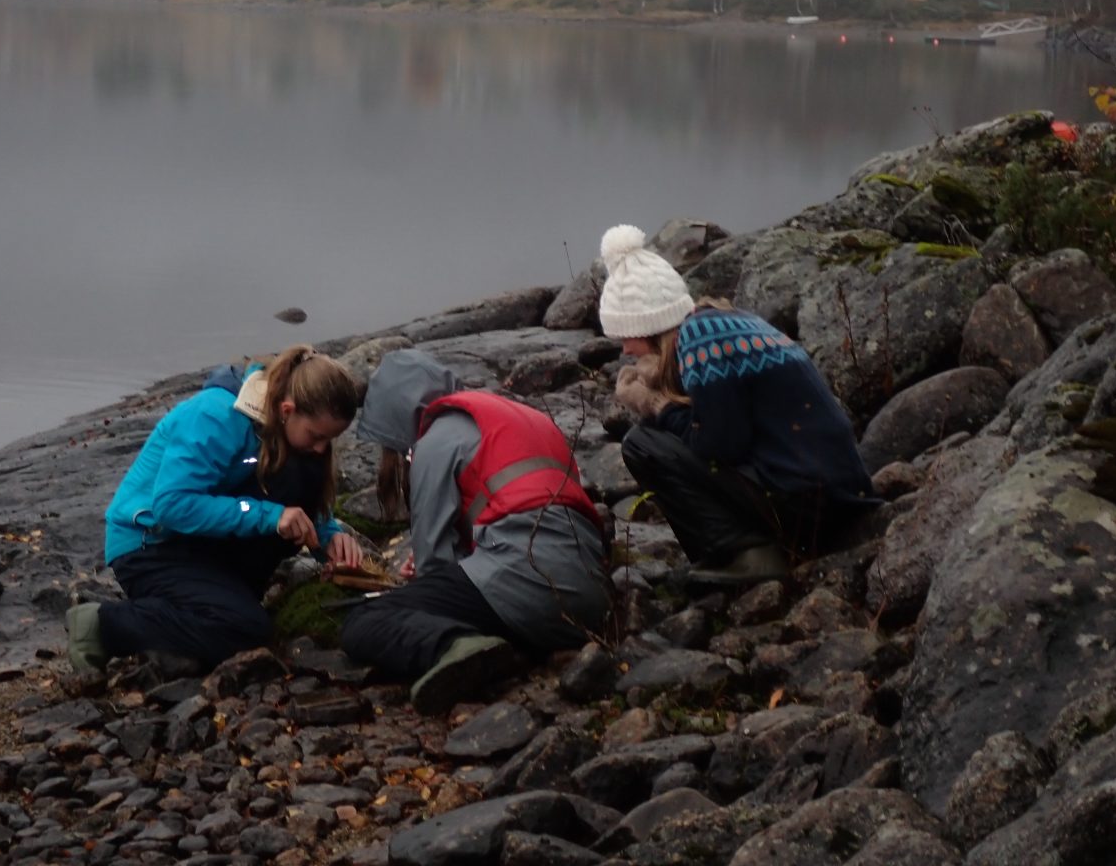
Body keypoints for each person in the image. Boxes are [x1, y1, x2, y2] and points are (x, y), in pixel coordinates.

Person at [598, 224, 877, 584]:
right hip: (833, 493)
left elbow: (718, 446)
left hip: (812, 504)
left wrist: (656, 403)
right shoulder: (725, 322)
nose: (625, 349)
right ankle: (749, 550)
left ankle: (745, 555)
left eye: (626, 336)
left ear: (649, 325)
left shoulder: (700, 337)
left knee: (642, 443)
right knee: (657, 432)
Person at [340, 349, 610, 715]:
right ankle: (506, 648)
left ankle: (457, 647)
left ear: (394, 417)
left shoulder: (435, 441)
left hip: (526, 589)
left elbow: (434, 563)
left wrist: (430, 584)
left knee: (363, 621)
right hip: (591, 598)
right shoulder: (517, 416)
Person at [66, 345, 363, 672]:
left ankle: (208, 605)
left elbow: (299, 490)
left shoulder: (284, 424)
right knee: (247, 630)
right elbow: (172, 505)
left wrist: (328, 537)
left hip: (201, 541)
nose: (321, 447)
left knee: (300, 468)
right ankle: (102, 624)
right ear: (287, 410)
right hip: (150, 545)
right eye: (316, 436)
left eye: (329, 439)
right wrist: (270, 516)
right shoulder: (216, 415)